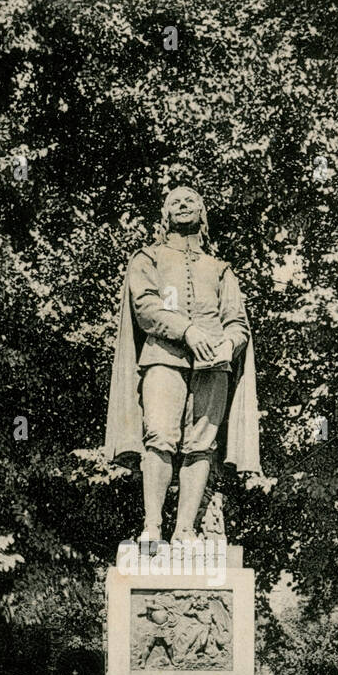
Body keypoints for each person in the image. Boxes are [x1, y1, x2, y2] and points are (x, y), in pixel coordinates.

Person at [106, 185, 261, 542]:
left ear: (202, 212)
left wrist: (229, 346)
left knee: (201, 445)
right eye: (175, 201)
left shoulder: (220, 269)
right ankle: (151, 528)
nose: (183, 204)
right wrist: (188, 330)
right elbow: (145, 307)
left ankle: (186, 531)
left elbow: (238, 323)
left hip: (213, 366)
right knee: (160, 438)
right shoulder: (148, 258)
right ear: (165, 215)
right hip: (164, 358)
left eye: (191, 200)